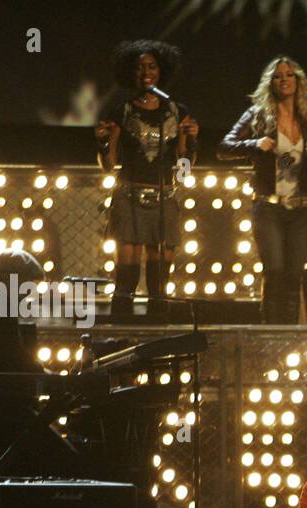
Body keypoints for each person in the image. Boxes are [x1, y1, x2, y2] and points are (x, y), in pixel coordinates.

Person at [218, 56, 307, 323]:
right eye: (278, 76)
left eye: (289, 75)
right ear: (270, 82)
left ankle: (289, 340)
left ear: (298, 81)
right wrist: (254, 144)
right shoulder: (257, 115)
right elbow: (223, 148)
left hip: (302, 207)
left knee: (294, 276)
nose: (284, 80)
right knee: (275, 271)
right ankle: (269, 336)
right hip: (268, 206)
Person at [95, 40, 199, 318]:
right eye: (139, 68)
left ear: (161, 70)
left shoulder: (176, 111)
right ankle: (121, 339)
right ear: (131, 73)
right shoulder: (122, 111)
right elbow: (108, 165)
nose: (145, 72)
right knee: (125, 281)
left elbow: (185, 168)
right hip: (128, 196)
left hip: (164, 199)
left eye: (151, 66)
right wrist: (105, 142)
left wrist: (191, 139)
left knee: (159, 283)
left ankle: (157, 340)